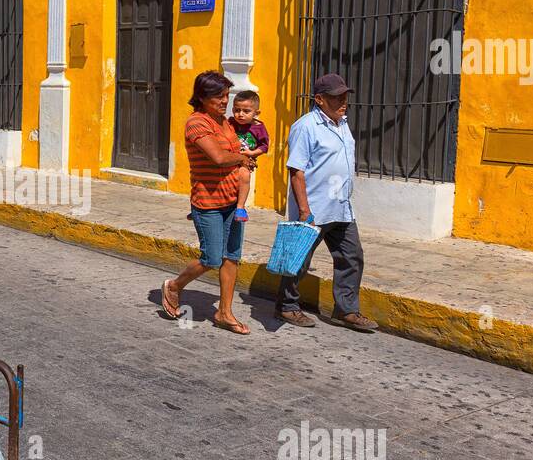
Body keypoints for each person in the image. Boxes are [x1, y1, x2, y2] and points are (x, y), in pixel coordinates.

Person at [275, 72, 378, 332]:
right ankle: (287, 306)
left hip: (341, 207)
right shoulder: (306, 126)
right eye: (336, 98)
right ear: (319, 99)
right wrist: (304, 210)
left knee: (352, 257)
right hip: (315, 207)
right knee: (299, 258)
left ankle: (347, 311)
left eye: (344, 96)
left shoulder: (342, 123)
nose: (343, 102)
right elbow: (296, 170)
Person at [160, 70, 258, 334]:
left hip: (232, 201)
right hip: (208, 202)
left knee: (231, 258)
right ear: (202, 97)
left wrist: (244, 156)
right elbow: (218, 157)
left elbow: (236, 149)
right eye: (219, 96)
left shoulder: (225, 123)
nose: (225, 101)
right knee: (212, 258)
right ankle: (174, 286)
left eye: (227, 95)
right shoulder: (197, 123)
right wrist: (241, 159)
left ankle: (224, 313)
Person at [228, 89, 269, 223]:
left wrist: (251, 153)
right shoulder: (230, 123)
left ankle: (240, 207)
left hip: (245, 161)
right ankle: (202, 206)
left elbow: (264, 147)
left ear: (256, 113)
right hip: (228, 159)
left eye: (246, 111)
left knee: (244, 176)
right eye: (237, 110)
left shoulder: (259, 128)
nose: (240, 114)